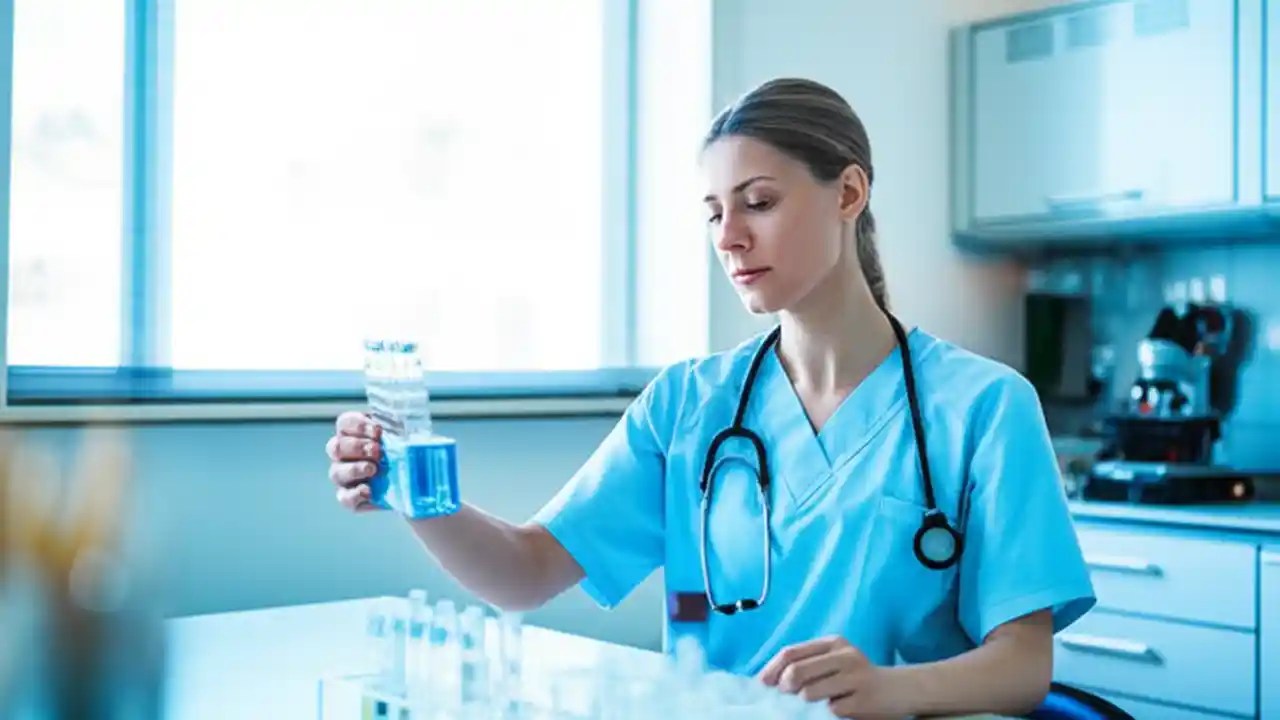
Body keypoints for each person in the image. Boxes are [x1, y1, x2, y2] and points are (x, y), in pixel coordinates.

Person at [325, 77, 1096, 719]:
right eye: (713, 212)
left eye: (758, 202)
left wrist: (890, 690)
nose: (728, 237)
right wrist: (415, 493)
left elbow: (1024, 662)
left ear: (849, 192)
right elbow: (525, 572)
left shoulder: (985, 407)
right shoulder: (688, 404)